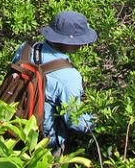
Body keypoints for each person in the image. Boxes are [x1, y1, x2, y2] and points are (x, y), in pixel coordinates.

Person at [12, 10, 97, 154]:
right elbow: (74, 121)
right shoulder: (70, 76)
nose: (82, 44)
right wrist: (96, 121)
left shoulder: (25, 50)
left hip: (12, 130)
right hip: (43, 145)